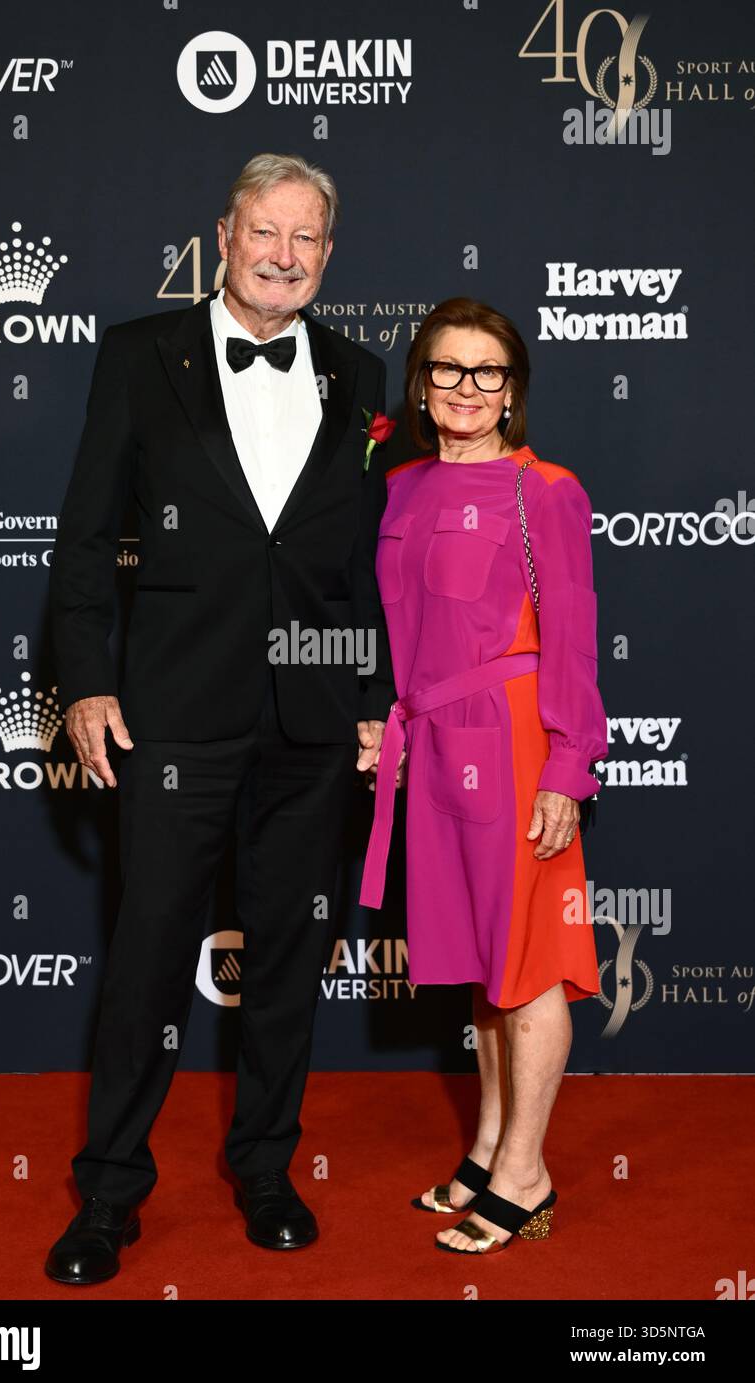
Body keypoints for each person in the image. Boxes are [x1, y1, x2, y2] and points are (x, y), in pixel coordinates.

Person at [44, 152, 395, 1284]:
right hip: (173, 713)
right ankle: (107, 1193)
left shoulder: (357, 372)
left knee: (290, 957)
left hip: (310, 715)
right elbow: (89, 537)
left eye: (307, 240)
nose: (284, 256)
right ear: (225, 236)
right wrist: (88, 682)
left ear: (326, 257)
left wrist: (371, 698)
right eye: (266, 233)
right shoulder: (140, 353)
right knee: (147, 955)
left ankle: (264, 1168)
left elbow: (356, 564)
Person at [359, 296, 608, 1254]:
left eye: (488, 373)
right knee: (481, 967)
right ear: (420, 385)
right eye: (448, 370)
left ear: (513, 391)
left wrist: (568, 766)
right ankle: (491, 1143)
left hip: (513, 743)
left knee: (528, 964)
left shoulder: (543, 489)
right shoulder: (403, 484)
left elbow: (574, 642)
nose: (467, 389)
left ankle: (527, 1173)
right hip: (433, 744)